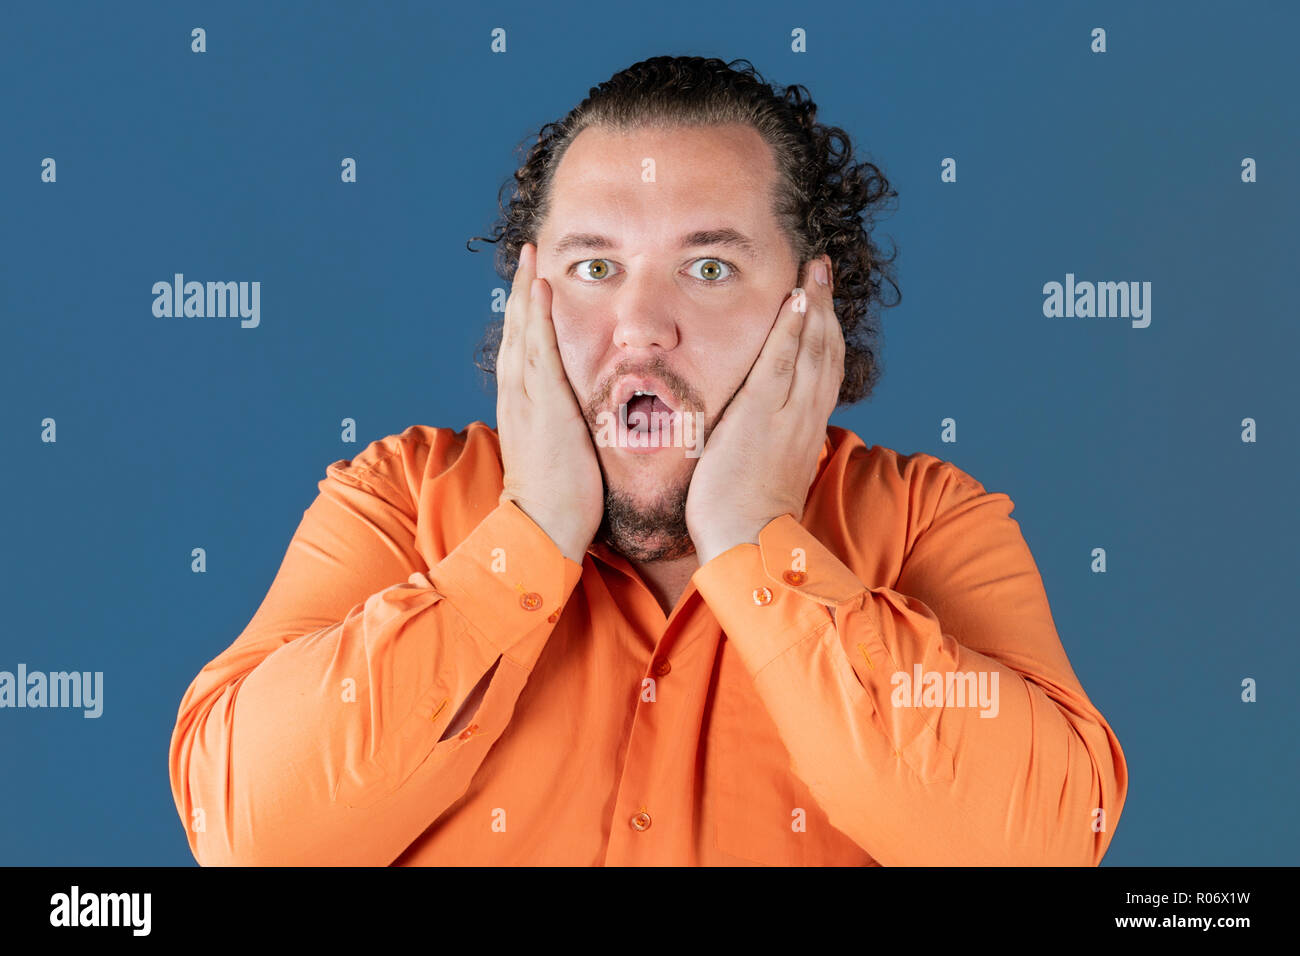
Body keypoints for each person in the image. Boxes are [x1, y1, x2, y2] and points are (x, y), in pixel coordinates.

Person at [168, 55, 1127, 866]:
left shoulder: (926, 520)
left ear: (810, 306)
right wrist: (533, 530)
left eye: (708, 268)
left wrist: (757, 536)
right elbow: (247, 829)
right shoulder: (402, 497)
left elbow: (1039, 841)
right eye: (594, 267)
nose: (639, 328)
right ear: (531, 298)